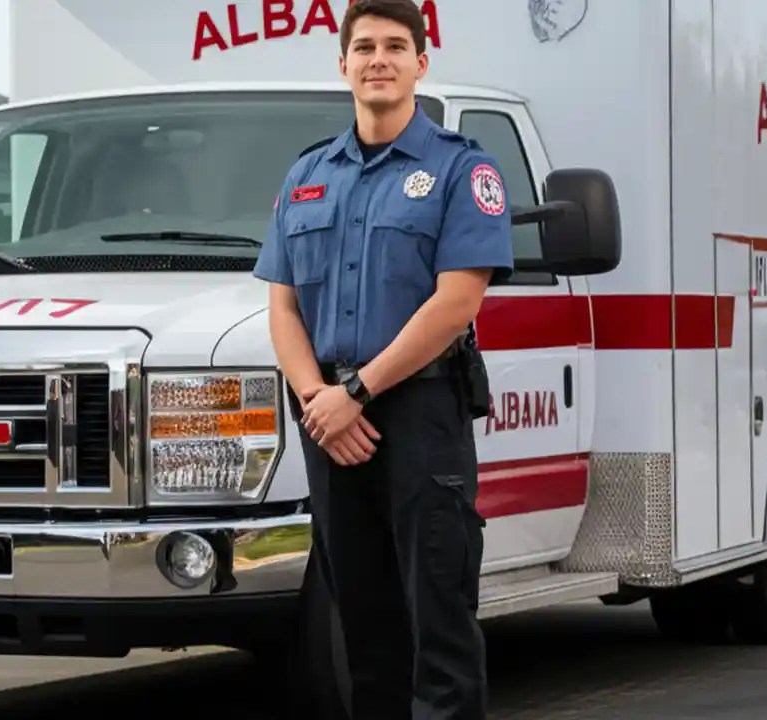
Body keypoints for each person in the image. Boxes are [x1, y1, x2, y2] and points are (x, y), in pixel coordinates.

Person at [252, 0, 515, 717]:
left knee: (440, 617)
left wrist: (356, 393)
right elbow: (282, 307)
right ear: (343, 64)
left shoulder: (463, 171)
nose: (379, 59)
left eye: (396, 46)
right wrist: (318, 400)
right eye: (364, 46)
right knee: (362, 627)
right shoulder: (308, 174)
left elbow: (456, 302)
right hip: (330, 423)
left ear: (420, 64)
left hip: (420, 414)